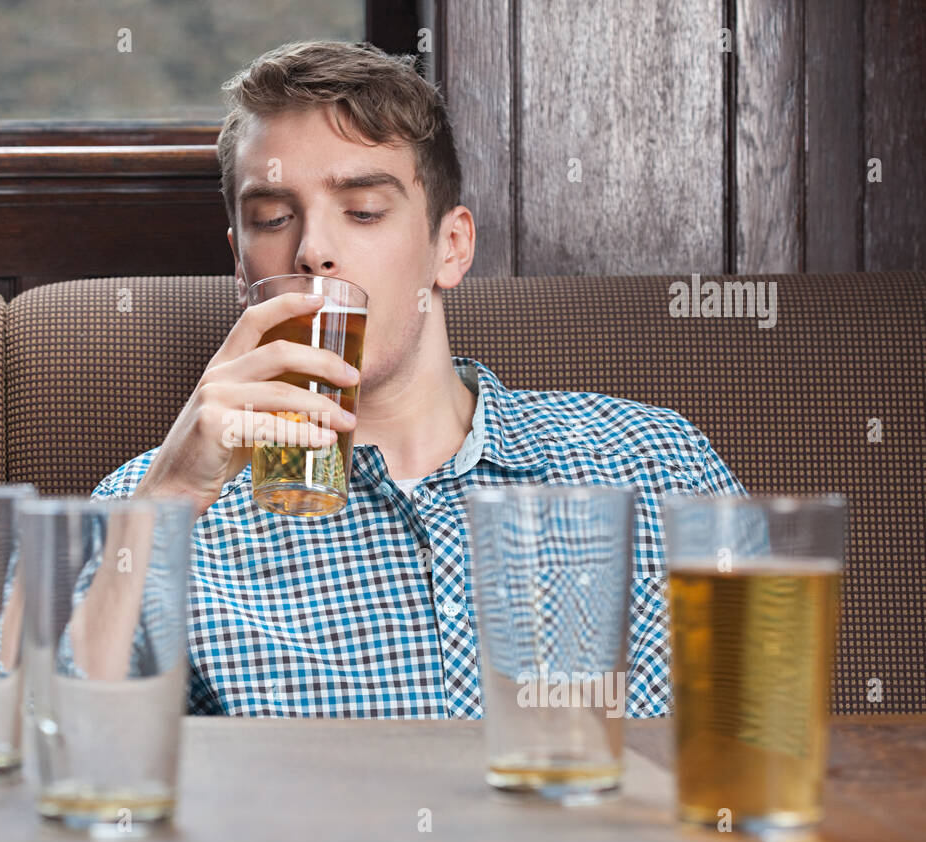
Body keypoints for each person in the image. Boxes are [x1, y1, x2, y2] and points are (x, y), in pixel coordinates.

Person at [87, 40, 746, 718]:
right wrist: (168, 500)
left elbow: (766, 741)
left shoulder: (660, 465)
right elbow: (26, 757)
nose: (313, 250)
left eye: (364, 209)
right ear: (240, 265)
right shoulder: (152, 506)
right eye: (272, 218)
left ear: (449, 246)